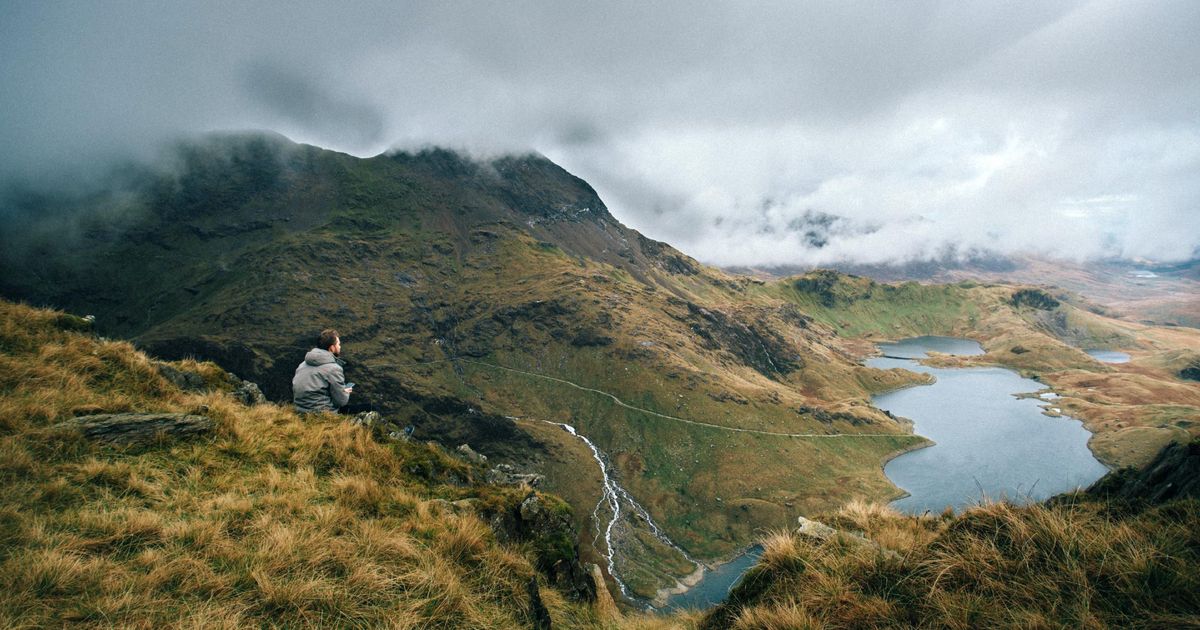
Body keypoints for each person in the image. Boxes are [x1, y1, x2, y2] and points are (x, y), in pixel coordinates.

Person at [293, 328, 353, 413]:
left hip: (300, 410)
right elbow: (341, 402)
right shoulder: (334, 369)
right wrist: (345, 392)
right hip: (320, 413)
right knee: (370, 408)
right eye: (338, 344)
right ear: (332, 348)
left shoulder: (303, 364)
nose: (340, 347)